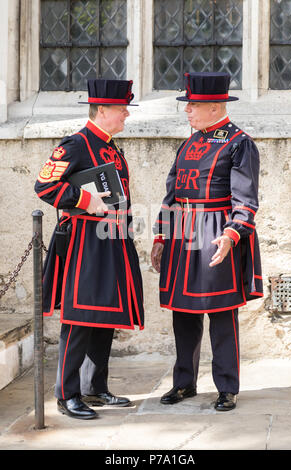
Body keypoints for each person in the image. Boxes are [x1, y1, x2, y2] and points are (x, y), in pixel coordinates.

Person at [151, 72, 263, 411]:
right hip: (181, 233)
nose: (186, 111)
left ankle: (226, 388)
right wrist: (160, 236)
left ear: (214, 107)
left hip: (215, 232)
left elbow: (245, 200)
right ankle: (183, 384)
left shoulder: (239, 143)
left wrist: (231, 235)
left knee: (221, 313)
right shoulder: (188, 142)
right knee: (183, 313)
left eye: (192, 105)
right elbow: (172, 192)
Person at [34, 79, 144, 419]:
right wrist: (85, 200)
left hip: (112, 239)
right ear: (102, 110)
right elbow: (44, 185)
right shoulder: (76, 144)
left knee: (104, 317)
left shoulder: (112, 146)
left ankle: (96, 388)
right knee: (81, 317)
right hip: (85, 242)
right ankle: (67, 395)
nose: (126, 113)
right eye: (121, 108)